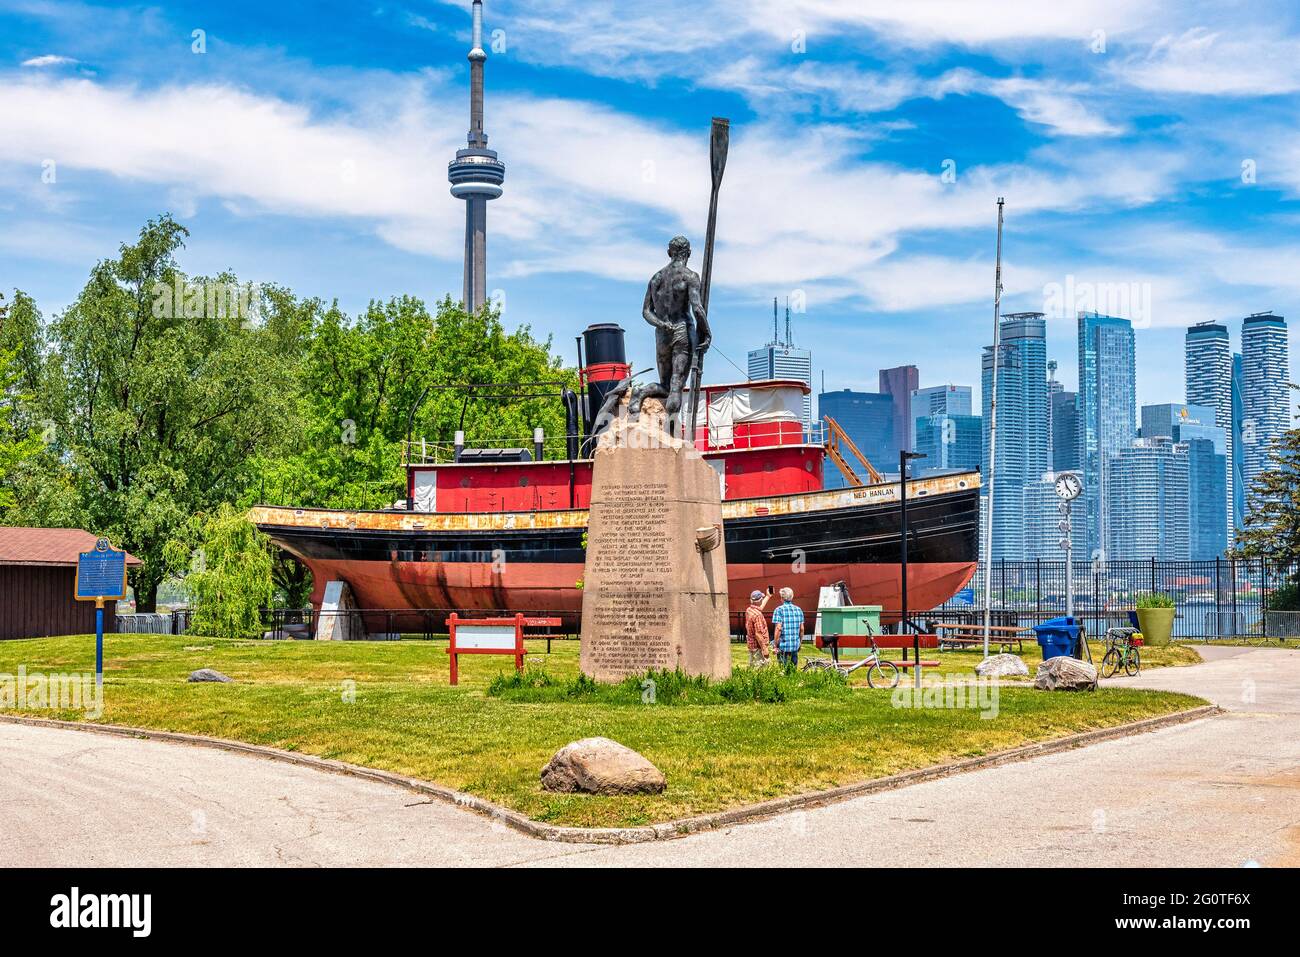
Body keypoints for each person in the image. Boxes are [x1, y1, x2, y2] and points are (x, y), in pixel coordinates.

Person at [771, 587, 805, 670]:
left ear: (782, 598)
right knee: (793, 670)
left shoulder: (779, 610)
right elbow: (801, 629)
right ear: (792, 597)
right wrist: (800, 643)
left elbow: (778, 628)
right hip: (794, 645)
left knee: (783, 670)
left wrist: (775, 645)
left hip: (783, 646)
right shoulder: (798, 610)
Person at [744, 589, 772, 667]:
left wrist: (768, 596)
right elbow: (758, 634)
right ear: (760, 600)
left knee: (753, 667)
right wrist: (764, 648)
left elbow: (760, 607)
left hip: (752, 645)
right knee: (761, 669)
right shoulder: (758, 615)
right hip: (758, 647)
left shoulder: (749, 610)